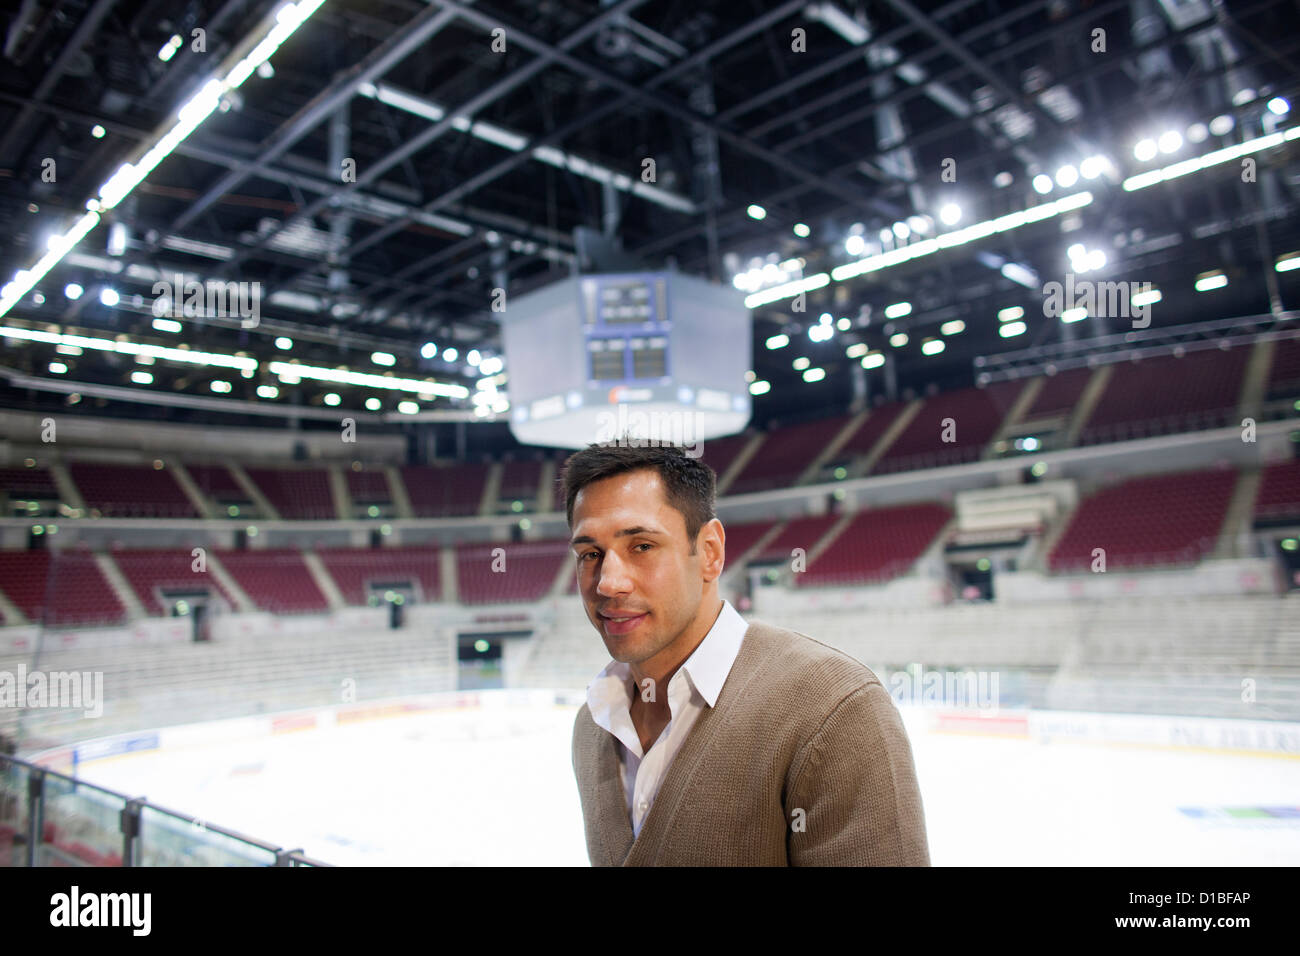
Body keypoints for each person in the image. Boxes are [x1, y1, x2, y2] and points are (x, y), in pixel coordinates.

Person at [561, 439, 930, 866]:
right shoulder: (592, 726)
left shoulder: (834, 710)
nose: (608, 583)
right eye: (590, 554)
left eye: (641, 546)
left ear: (710, 553)